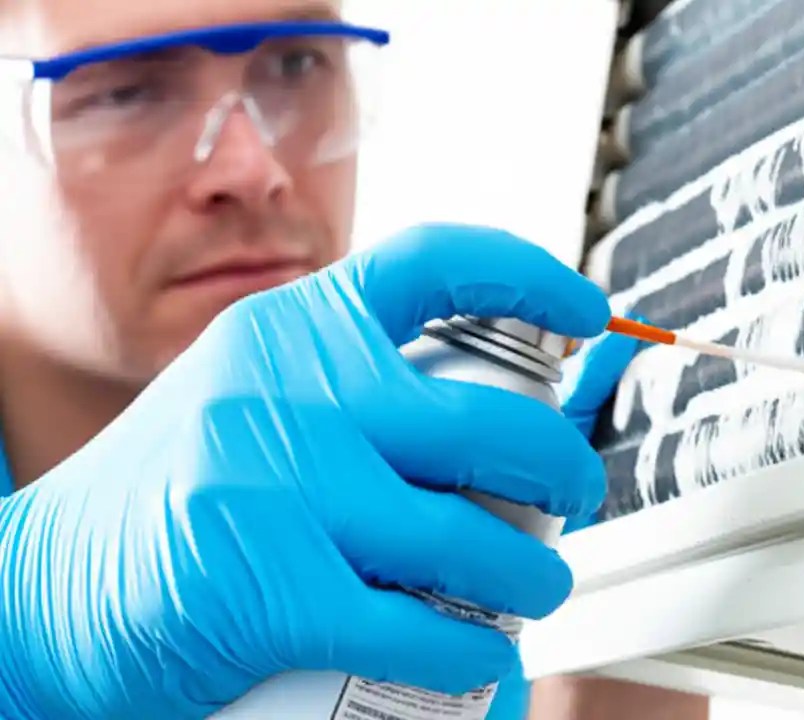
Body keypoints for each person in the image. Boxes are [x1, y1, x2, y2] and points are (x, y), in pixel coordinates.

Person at [0, 1, 710, 718]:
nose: (253, 169)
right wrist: (21, 637)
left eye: (295, 63)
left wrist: (615, 641)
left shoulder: (462, 526)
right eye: (126, 92)